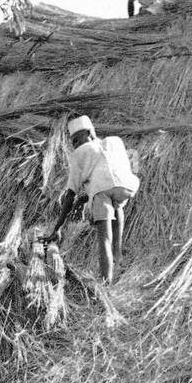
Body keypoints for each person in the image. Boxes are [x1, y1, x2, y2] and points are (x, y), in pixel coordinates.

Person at [48, 116, 140, 284]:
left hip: (102, 192)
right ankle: (118, 259)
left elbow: (70, 194)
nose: (75, 145)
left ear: (89, 133)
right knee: (117, 207)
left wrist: (58, 227)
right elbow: (112, 171)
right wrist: (83, 200)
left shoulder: (79, 154)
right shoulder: (114, 141)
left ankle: (106, 282)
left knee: (104, 239)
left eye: (76, 140)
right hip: (127, 187)